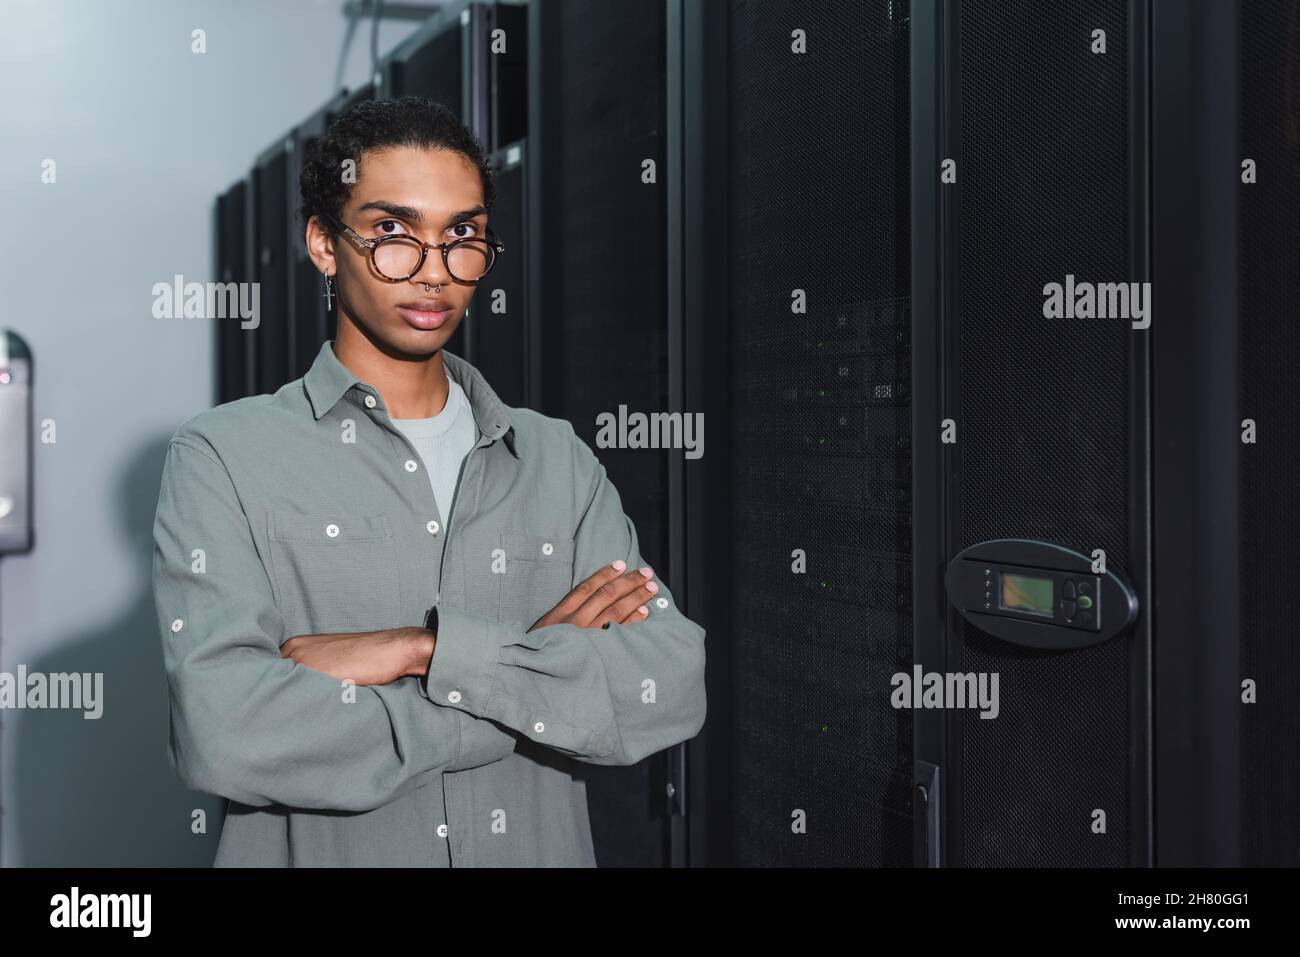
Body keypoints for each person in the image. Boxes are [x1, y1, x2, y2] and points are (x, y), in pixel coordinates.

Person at [151, 95, 707, 866]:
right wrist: (535, 681)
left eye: (462, 237)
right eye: (391, 233)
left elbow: (670, 685)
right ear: (321, 242)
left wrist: (421, 651)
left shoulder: (556, 457)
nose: (433, 272)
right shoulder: (221, 456)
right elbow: (224, 730)